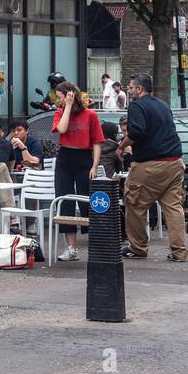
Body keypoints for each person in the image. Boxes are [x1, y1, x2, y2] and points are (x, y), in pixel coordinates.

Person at [119, 74, 188, 263]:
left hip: (150, 164)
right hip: (175, 162)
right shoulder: (163, 105)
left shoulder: (136, 105)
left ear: (140, 89)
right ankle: (179, 251)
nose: (129, 89)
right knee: (173, 207)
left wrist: (120, 146)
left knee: (133, 202)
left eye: (131, 87)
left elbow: (137, 132)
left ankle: (138, 247)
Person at [51, 81, 106, 262]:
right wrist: (66, 107)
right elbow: (62, 129)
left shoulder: (90, 114)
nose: (58, 100)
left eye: (60, 97)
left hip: (84, 158)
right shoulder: (60, 112)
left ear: (70, 95)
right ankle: (71, 248)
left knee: (86, 200)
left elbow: (97, 141)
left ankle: (96, 243)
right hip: (65, 158)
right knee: (65, 200)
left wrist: (94, 166)